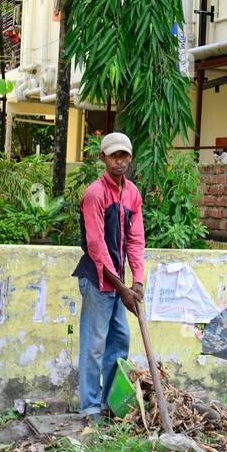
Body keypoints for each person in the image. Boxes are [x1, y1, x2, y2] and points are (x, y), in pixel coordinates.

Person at [74, 131, 146, 423]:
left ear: (129, 158)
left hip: (119, 284)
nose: (119, 161)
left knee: (120, 341)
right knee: (94, 345)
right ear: (103, 158)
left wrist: (137, 282)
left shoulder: (132, 194)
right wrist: (122, 288)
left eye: (124, 155)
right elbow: (96, 247)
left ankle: (109, 404)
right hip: (96, 280)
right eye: (114, 155)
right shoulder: (95, 194)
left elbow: (135, 240)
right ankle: (90, 409)